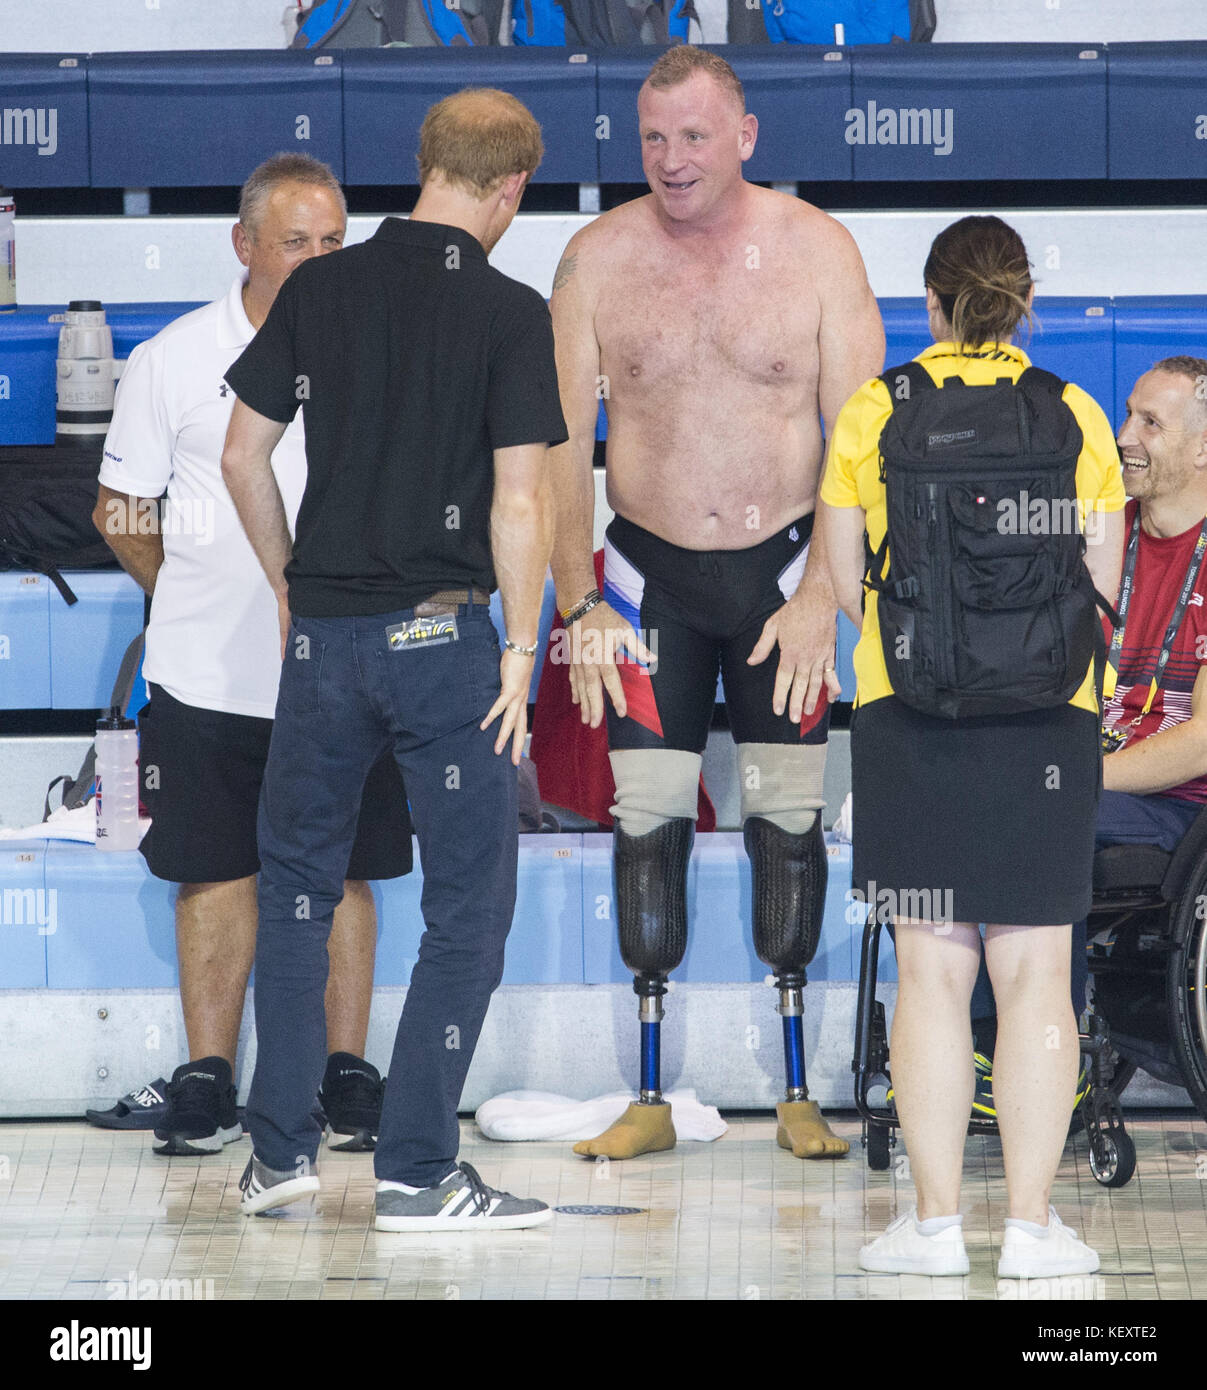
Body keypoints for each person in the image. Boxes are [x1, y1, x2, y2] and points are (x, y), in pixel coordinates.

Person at [221, 89, 567, 1230]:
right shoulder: (513, 312)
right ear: (511, 188)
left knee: (297, 896)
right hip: (441, 640)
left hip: (323, 644)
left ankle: (277, 1158)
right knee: (467, 910)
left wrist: (288, 583)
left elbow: (242, 457)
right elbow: (521, 500)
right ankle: (419, 1170)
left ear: (422, 160)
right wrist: (523, 644)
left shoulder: (317, 286)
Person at [547, 44, 884, 1162]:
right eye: (652, 138)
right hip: (642, 581)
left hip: (786, 578)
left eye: (694, 136)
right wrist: (579, 598)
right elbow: (554, 453)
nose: (671, 159)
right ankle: (647, 1092)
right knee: (645, 824)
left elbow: (859, 444)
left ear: (745, 135)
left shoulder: (819, 252)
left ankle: (796, 1087)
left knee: (787, 822)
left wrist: (828, 591)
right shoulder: (594, 258)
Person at [820, 214, 1126, 1278]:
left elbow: (836, 577)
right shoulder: (1071, 410)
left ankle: (937, 1225)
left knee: (930, 971)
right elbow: (1104, 581)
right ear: (1025, 300)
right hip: (1050, 719)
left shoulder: (877, 408)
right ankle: (1034, 1229)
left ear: (929, 304)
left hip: (909, 720)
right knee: (1039, 968)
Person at [92, 153, 412, 1157]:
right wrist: (187, 589)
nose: (320, 259)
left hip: (350, 665)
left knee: (346, 874)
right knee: (215, 871)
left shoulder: (383, 351)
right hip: (206, 672)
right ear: (243, 245)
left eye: (333, 240)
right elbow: (120, 509)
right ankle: (208, 1075)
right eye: (296, 242)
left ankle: (343, 1074)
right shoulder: (172, 359)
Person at [968, 356, 1207, 1099]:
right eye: (1126, 413)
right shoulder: (1098, 535)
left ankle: (1034, 1053)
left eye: (1149, 422)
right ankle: (986, 1045)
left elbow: (1202, 739)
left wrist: (1074, 775)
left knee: (1039, 807)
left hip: (1177, 806)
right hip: (1080, 767)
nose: (1121, 435)